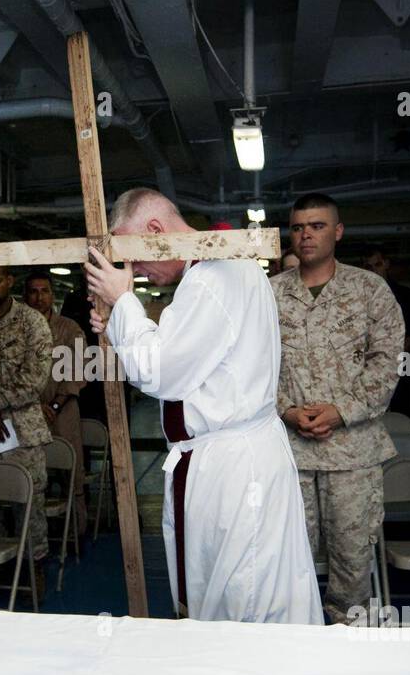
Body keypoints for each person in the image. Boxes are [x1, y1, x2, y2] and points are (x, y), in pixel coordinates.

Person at [84, 187, 324, 624]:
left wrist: (124, 304)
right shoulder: (210, 274)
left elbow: (161, 371)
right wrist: (123, 322)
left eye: (135, 256)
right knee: (226, 588)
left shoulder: (216, 276)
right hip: (225, 460)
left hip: (233, 466)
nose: (134, 269)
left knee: (242, 598)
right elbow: (186, 351)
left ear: (155, 231)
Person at [273, 194, 403, 624]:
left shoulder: (369, 290)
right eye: (297, 227)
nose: (305, 234)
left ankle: (349, 655)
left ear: (338, 231)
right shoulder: (268, 295)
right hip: (289, 455)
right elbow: (251, 367)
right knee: (289, 565)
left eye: (317, 226)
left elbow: (387, 364)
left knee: (351, 568)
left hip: (353, 455)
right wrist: (286, 410)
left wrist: (340, 410)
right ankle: (295, 654)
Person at [0, 266, 55, 594]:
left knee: (28, 503)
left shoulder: (32, 322)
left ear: (9, 282)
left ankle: (35, 568)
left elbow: (34, 378)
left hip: (21, 430)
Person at [25, 269, 90, 534]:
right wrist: (32, 405)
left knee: (71, 475)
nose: (39, 297)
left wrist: (53, 405)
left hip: (63, 412)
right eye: (33, 291)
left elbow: (79, 369)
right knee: (32, 475)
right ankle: (37, 540)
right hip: (27, 412)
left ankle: (76, 534)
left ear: (53, 295)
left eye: (45, 291)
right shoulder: (17, 329)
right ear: (24, 295)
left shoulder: (69, 329)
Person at [360, 249, 410, 418]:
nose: (373, 270)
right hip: (365, 361)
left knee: (401, 408)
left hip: (400, 357)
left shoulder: (406, 295)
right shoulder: (355, 295)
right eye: (368, 266)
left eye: (377, 264)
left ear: (386, 264)